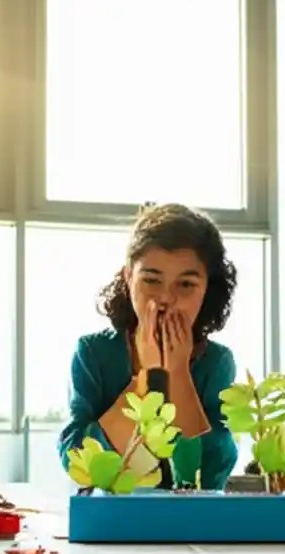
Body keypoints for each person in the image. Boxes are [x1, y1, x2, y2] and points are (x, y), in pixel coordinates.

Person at [59, 203, 239, 490]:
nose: (165, 298)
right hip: (111, 513)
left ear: (208, 289)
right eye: (152, 280)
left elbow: (209, 476)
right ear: (128, 277)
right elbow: (77, 459)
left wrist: (177, 373)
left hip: (189, 517)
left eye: (186, 284)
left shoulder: (216, 362)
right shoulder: (93, 353)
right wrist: (149, 377)